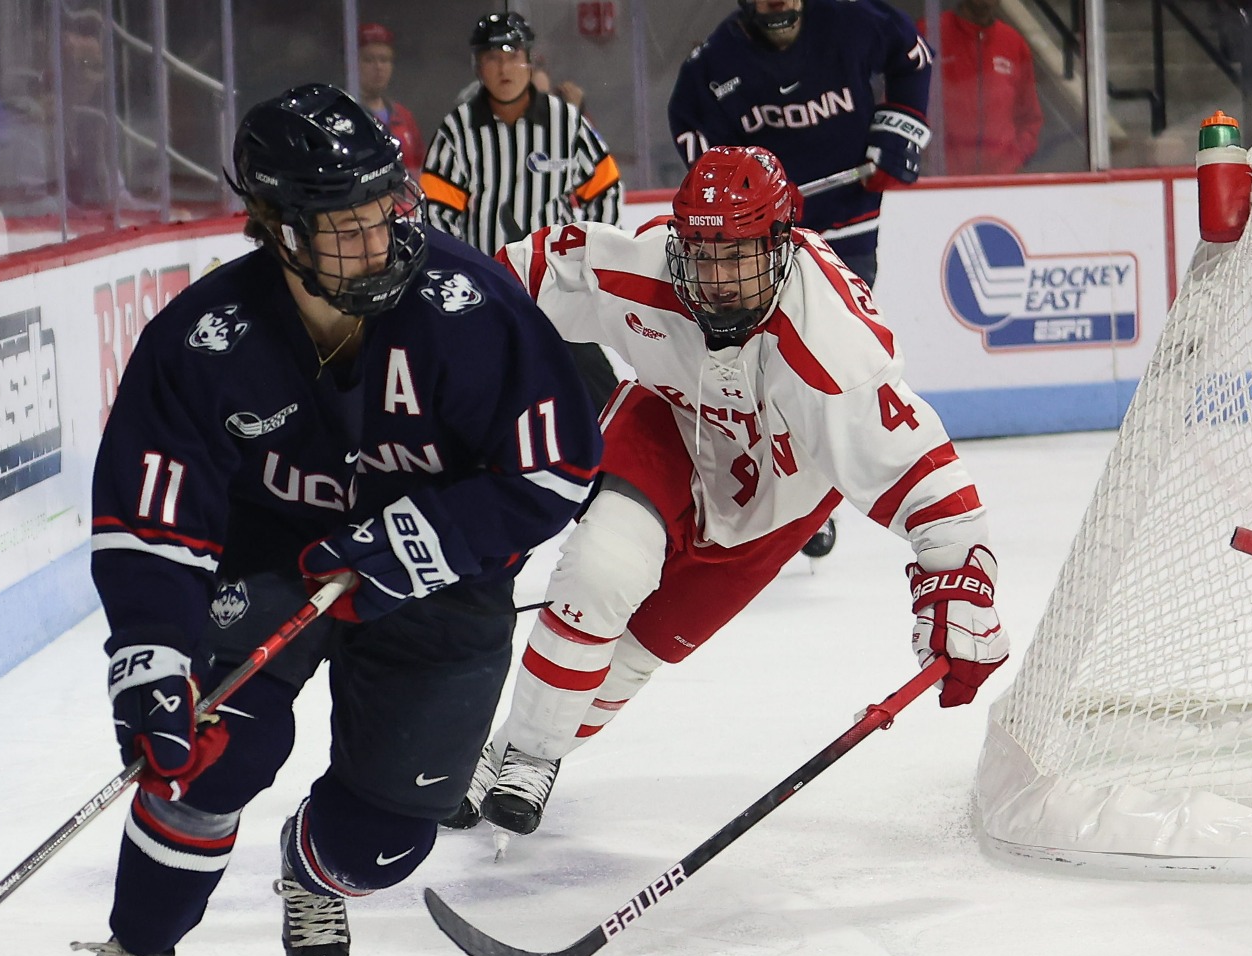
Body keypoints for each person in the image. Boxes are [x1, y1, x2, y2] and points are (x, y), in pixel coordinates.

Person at [22, 84, 603, 956]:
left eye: (385, 208)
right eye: (344, 226)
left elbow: (555, 466)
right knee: (202, 749)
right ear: (275, 230)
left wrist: (419, 540)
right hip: (272, 560)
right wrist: (153, 652)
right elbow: (149, 521)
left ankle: (310, 869)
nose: (377, 237)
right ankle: (135, 949)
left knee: (377, 846)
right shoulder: (206, 340)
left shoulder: (467, 308)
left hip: (441, 578)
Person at [467, 146, 1005, 835]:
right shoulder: (646, 266)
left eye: (738, 258)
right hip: (668, 424)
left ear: (782, 244)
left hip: (773, 504)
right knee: (601, 569)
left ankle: (512, 745)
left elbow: (929, 484)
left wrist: (964, 586)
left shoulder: (829, 343)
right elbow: (521, 274)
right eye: (702, 255)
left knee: (631, 658)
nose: (716, 280)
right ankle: (528, 758)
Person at [668, 0, 931, 292]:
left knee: (841, 330)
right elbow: (695, 135)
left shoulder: (851, 20)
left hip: (852, 223)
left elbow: (912, 58)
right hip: (770, 241)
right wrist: (753, 196)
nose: (777, 2)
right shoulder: (712, 65)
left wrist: (896, 132)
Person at [420, 12, 622, 257]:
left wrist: (592, 256)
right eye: (492, 58)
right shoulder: (458, 130)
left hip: (559, 278)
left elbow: (606, 191)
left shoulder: (566, 121)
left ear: (529, 62)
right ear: (478, 67)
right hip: (488, 281)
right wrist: (464, 268)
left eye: (513, 56)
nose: (504, 68)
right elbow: (436, 212)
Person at [928, 0, 1042, 176]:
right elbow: (901, 104)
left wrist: (1015, 158)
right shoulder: (930, 35)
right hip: (941, 182)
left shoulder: (1014, 43)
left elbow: (1030, 117)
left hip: (1000, 184)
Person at [356, 21, 424, 172]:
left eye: (384, 59)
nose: (378, 67)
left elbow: (419, 172)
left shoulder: (404, 118)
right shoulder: (344, 116)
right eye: (369, 60)